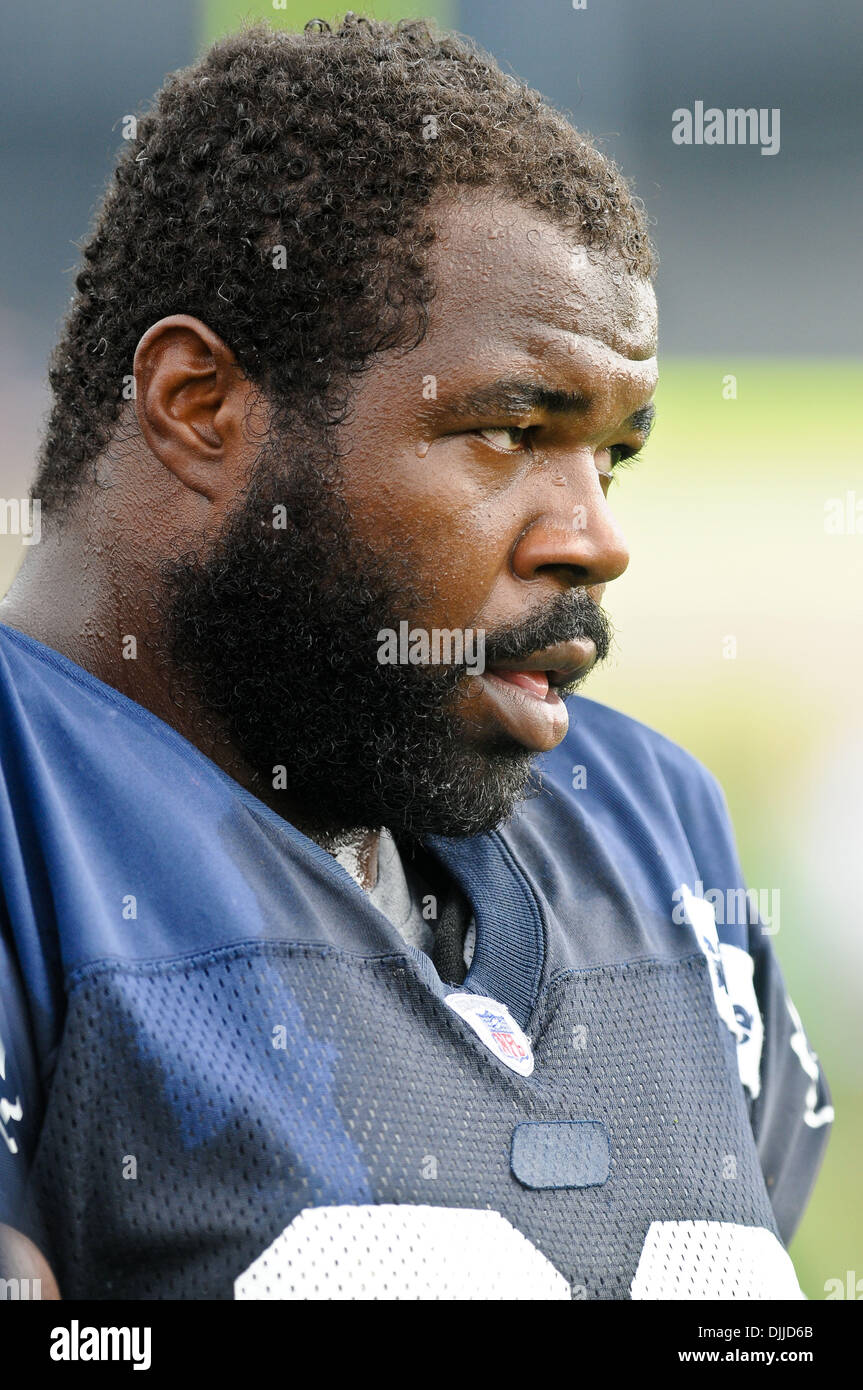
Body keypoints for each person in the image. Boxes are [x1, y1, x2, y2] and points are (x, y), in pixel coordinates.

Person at [0, 16, 831, 1300]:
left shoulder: (655, 834)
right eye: (510, 429)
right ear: (198, 409)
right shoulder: (32, 820)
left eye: (610, 456)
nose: (596, 540)